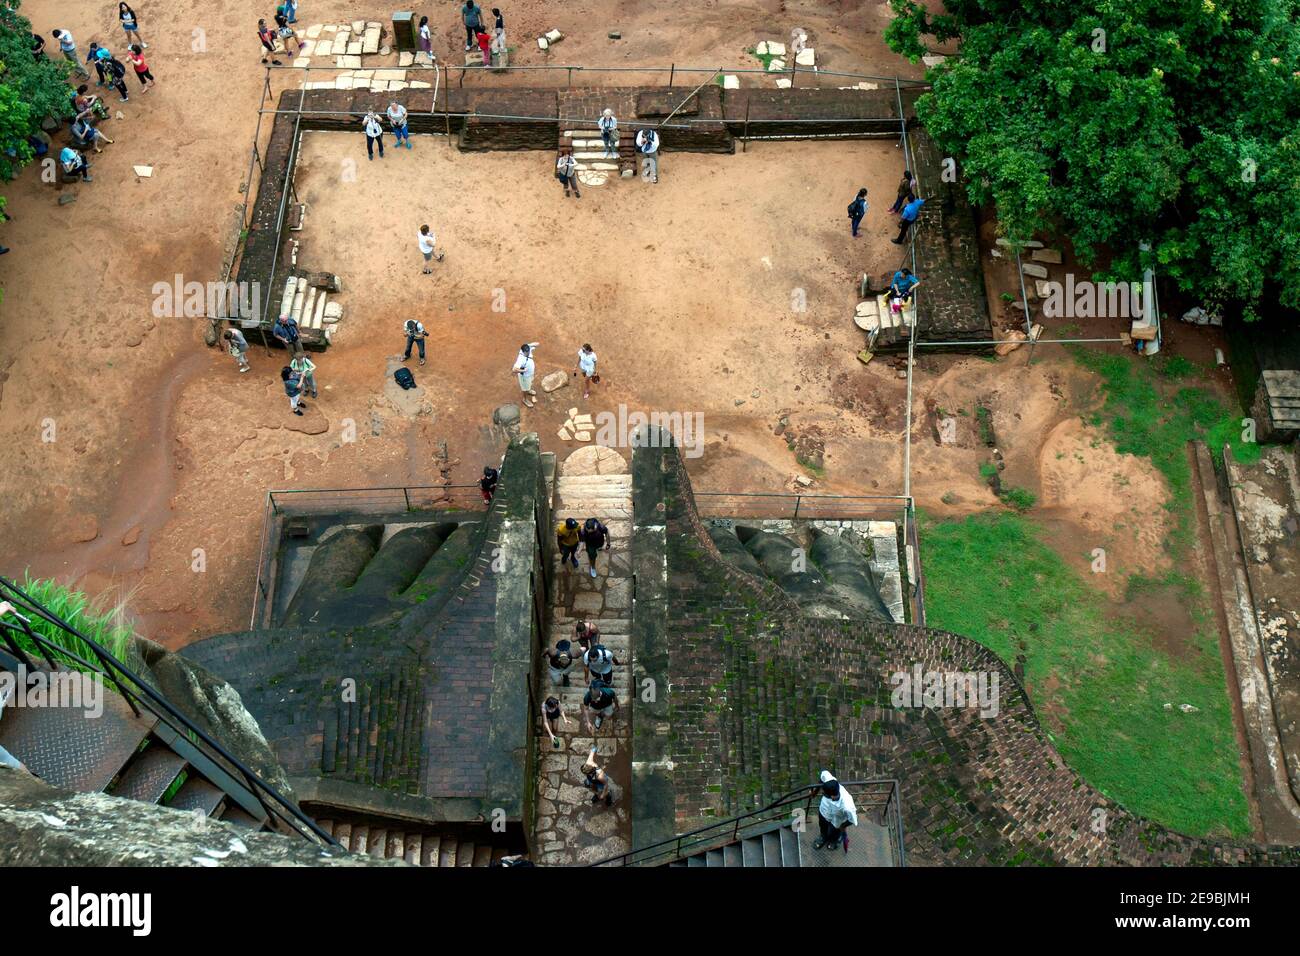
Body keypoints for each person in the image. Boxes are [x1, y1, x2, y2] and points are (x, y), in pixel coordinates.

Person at [813, 771, 858, 852]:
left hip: (837, 819)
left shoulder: (847, 805)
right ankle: (823, 837)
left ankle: (834, 841)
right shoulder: (830, 781)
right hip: (824, 811)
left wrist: (842, 826)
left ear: (832, 796)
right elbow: (823, 773)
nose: (822, 793)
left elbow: (852, 819)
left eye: (824, 793)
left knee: (835, 832)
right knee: (822, 826)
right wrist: (815, 792)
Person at [512, 342, 538, 407]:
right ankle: (525, 399)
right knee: (524, 389)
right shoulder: (520, 359)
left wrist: (529, 345)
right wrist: (523, 370)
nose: (528, 353)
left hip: (530, 374)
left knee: (529, 385)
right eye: (526, 352)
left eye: (528, 351)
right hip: (524, 377)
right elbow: (514, 369)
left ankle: (528, 390)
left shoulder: (528, 348)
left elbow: (537, 344)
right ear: (523, 352)